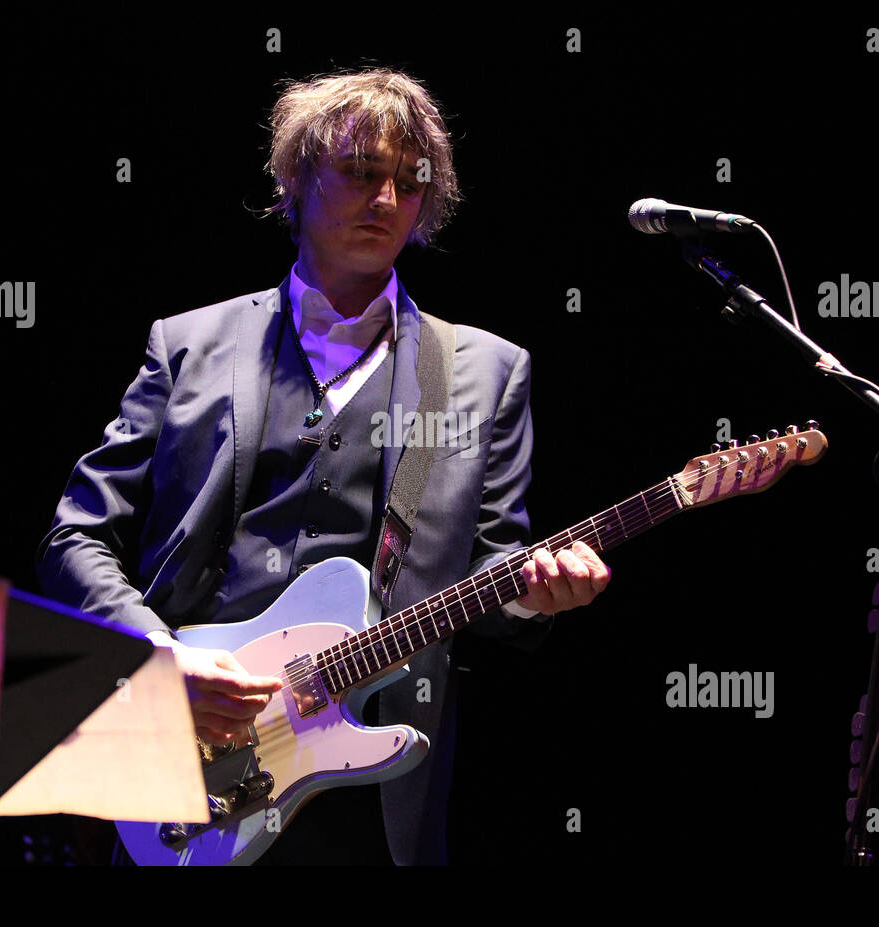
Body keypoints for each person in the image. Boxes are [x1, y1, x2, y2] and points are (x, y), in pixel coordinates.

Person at [36, 67, 611, 865]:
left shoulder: (484, 370)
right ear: (294, 177)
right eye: (359, 172)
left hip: (372, 796)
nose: (385, 199)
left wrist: (540, 596)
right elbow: (74, 540)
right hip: (182, 763)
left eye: (409, 181)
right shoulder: (188, 346)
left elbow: (489, 574)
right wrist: (159, 659)